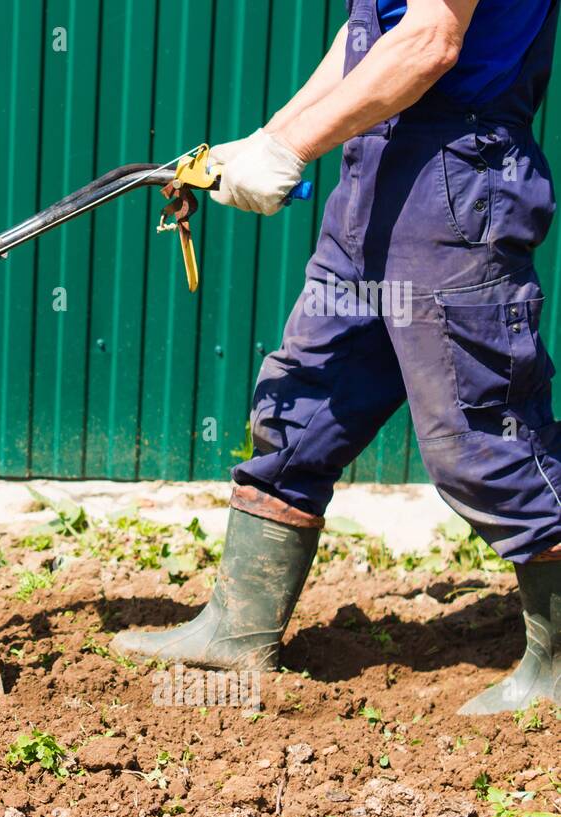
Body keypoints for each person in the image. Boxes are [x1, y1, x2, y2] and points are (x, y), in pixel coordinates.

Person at [112, 0, 561, 714]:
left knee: (480, 438)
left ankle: (557, 672)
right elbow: (368, 37)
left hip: (456, 174)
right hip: (376, 164)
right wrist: (270, 137)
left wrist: (289, 146)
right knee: (303, 400)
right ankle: (237, 627)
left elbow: (428, 42)